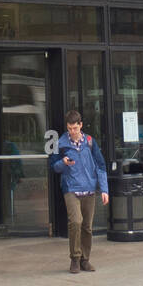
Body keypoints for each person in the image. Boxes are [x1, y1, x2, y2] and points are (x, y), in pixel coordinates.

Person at [49, 110, 109, 274]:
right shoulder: (60, 143)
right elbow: (53, 166)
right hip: (71, 188)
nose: (72, 132)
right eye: (69, 128)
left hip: (89, 188)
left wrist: (104, 189)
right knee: (75, 222)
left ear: (80, 125)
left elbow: (101, 166)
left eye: (75, 128)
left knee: (87, 227)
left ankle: (85, 259)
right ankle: (75, 259)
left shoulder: (90, 142)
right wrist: (63, 162)